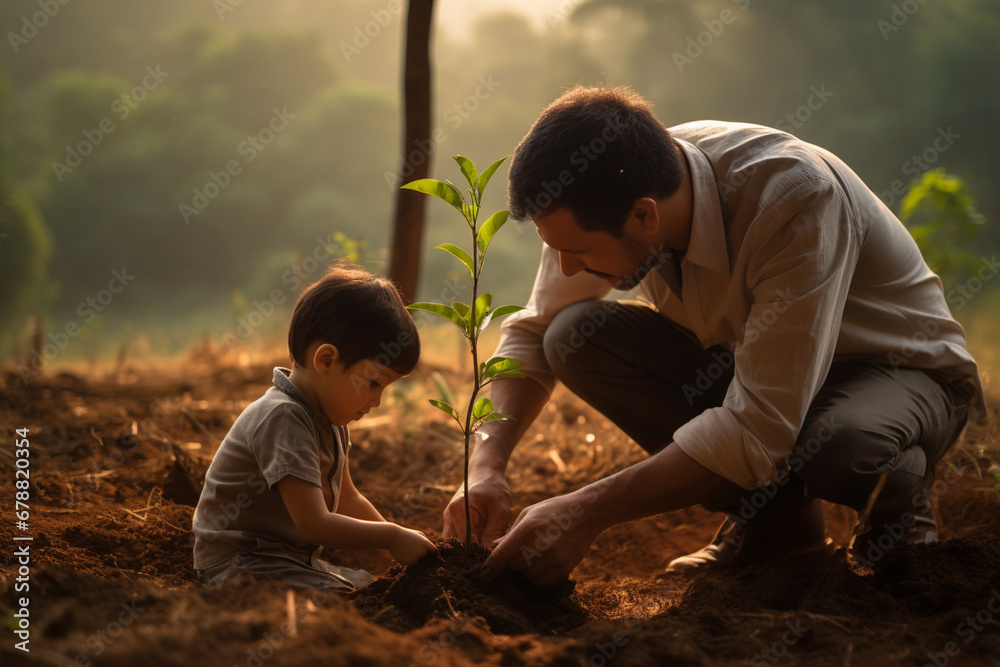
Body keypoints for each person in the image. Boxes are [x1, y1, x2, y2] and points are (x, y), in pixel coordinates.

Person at [449, 86, 986, 587]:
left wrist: (588, 510)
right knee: (570, 335)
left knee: (846, 447)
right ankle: (780, 531)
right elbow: (537, 327)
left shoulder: (794, 198)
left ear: (644, 217)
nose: (568, 269)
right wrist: (486, 468)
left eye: (580, 252)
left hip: (894, 373)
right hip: (766, 370)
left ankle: (899, 508)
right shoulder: (604, 189)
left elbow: (757, 427)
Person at [193, 262, 436, 591]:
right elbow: (313, 524)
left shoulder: (330, 421)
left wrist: (393, 546)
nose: (377, 401)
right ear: (326, 360)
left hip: (285, 560)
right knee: (351, 598)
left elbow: (349, 499)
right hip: (241, 563)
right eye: (375, 383)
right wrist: (391, 537)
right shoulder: (283, 417)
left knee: (366, 586)